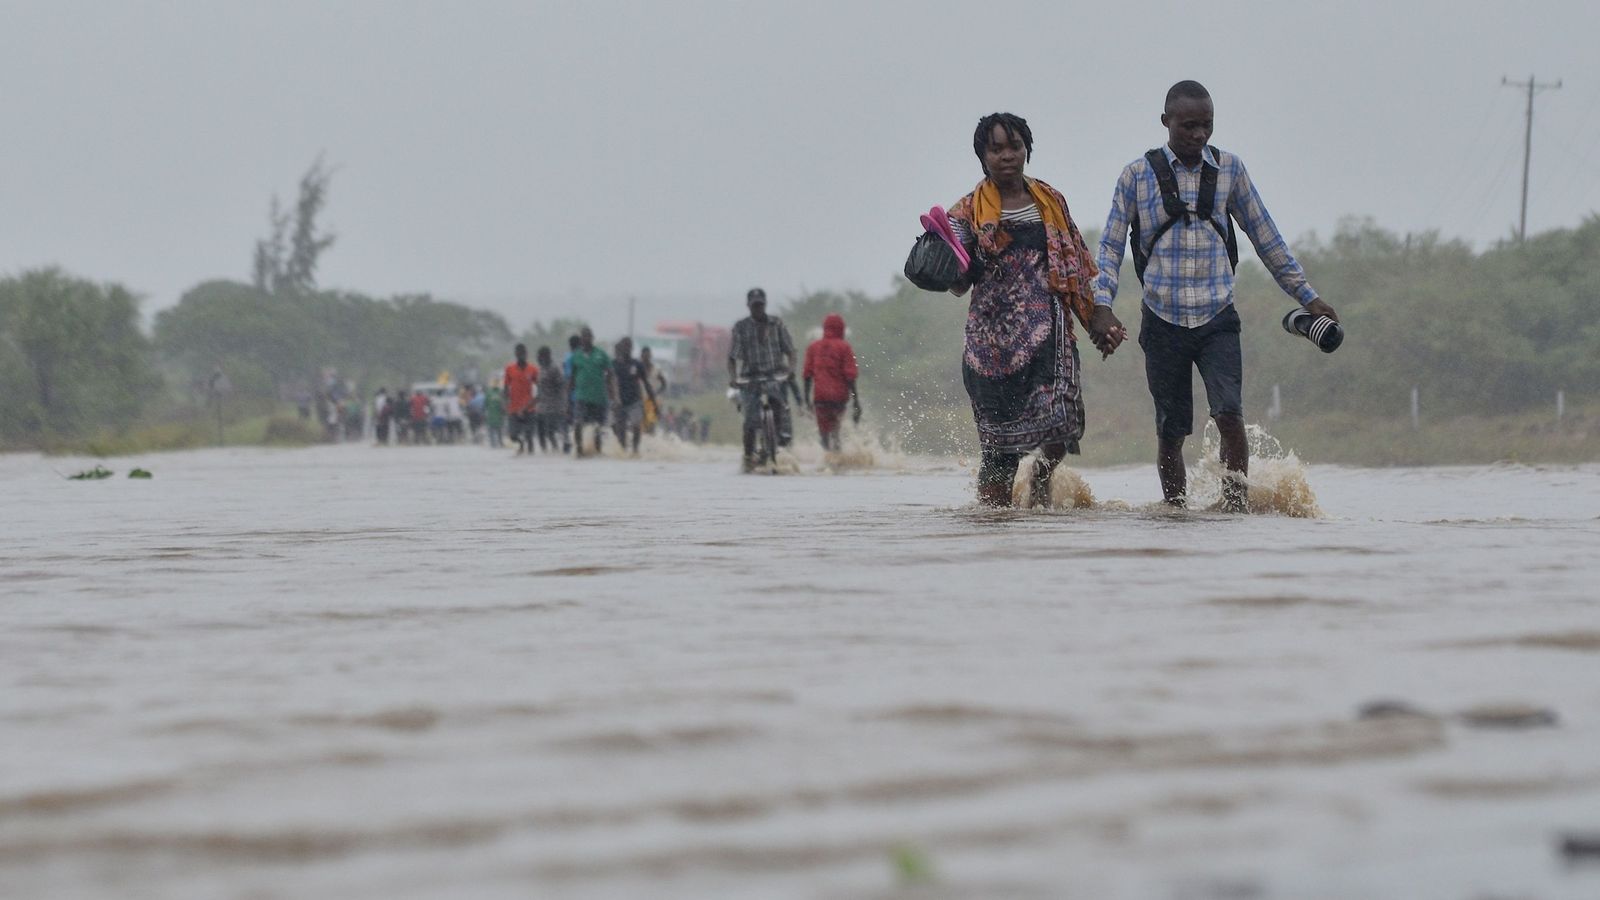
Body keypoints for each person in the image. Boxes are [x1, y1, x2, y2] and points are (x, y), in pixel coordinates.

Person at [1091, 80, 1339, 512]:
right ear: (1166, 121)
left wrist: (1308, 298)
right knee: (1172, 430)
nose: (1199, 135)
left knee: (1230, 415)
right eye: (1189, 126)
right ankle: (1175, 513)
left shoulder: (1230, 171)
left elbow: (1267, 238)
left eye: (1207, 126)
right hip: (1162, 319)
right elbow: (1110, 248)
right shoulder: (1136, 175)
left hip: (1217, 317)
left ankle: (1235, 511)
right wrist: (1102, 305)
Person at [945, 112, 1100, 507]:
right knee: (999, 451)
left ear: (1027, 149)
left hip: (1049, 335)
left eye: (1014, 146)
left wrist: (1097, 315)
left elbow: (1077, 260)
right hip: (991, 345)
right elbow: (957, 285)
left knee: (1062, 426)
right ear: (982, 156)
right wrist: (954, 260)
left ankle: (1041, 480)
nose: (1007, 156)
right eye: (996, 149)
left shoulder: (1050, 200)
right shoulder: (966, 213)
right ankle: (994, 523)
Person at [728, 287, 795, 471]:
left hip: (775, 375)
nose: (757, 308)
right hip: (750, 378)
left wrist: (790, 370)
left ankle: (776, 442)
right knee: (750, 420)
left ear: (765, 305)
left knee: (780, 408)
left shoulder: (777, 324)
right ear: (749, 306)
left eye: (760, 305)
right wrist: (733, 378)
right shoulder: (741, 327)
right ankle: (748, 456)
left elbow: (790, 351)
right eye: (754, 305)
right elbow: (732, 358)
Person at [802, 313, 861, 452]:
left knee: (823, 432)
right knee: (836, 430)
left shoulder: (813, 347)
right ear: (841, 328)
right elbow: (850, 376)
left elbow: (807, 375)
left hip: (820, 398)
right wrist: (856, 400)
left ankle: (825, 458)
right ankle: (837, 459)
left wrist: (806, 399)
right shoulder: (844, 347)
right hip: (839, 398)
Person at [568, 327, 615, 457]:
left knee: (597, 430)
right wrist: (568, 399)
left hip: (599, 398)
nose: (586, 339)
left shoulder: (601, 354)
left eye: (588, 336)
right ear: (581, 339)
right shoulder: (576, 356)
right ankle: (579, 450)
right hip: (581, 397)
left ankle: (597, 453)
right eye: (584, 337)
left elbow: (611, 374)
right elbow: (572, 378)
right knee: (578, 423)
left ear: (592, 338)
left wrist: (612, 393)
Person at [610, 337, 656, 455]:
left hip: (635, 402)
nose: (626, 349)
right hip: (620, 403)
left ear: (631, 348)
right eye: (624, 346)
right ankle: (623, 451)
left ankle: (635, 450)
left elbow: (646, 383)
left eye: (629, 346)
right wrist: (612, 400)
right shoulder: (614, 364)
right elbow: (608, 382)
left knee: (636, 426)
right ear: (621, 348)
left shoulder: (637, 364)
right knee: (621, 432)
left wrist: (653, 402)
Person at [503, 343, 540, 455]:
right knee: (513, 435)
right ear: (516, 354)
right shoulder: (509, 369)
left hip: (529, 408)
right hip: (514, 408)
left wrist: (535, 401)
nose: (521, 356)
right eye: (519, 353)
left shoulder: (533, 369)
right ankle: (521, 446)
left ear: (526, 354)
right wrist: (504, 402)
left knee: (529, 435)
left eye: (523, 353)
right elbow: (505, 388)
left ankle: (530, 456)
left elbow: (540, 388)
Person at [535, 346, 571, 454]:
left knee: (559, 431)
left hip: (556, 406)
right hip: (544, 407)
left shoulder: (555, 368)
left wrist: (564, 403)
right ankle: (552, 451)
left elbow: (562, 386)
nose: (539, 359)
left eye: (540, 356)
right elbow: (541, 389)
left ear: (546, 356)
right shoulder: (541, 369)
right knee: (547, 432)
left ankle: (564, 448)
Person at [638, 346, 668, 434]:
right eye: (644, 356)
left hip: (653, 401)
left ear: (650, 356)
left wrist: (657, 393)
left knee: (651, 424)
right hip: (640, 400)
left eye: (648, 356)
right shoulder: (637, 369)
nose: (646, 358)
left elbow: (664, 384)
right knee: (640, 427)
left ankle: (651, 443)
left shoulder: (656, 369)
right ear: (641, 356)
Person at [484, 380, 506, 449]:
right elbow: (486, 404)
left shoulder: (490, 393)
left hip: (495, 414)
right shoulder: (499, 392)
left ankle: (495, 443)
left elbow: (486, 404)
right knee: (497, 430)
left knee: (495, 430)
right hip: (495, 414)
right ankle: (498, 443)